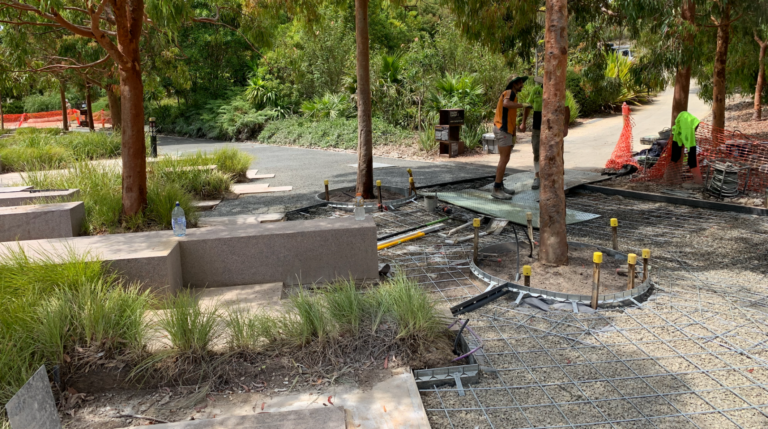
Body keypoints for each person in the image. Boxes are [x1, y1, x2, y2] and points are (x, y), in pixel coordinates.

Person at [491, 76, 528, 200]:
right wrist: (522, 105)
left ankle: (500, 186)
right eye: (520, 82)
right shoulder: (509, 92)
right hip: (503, 129)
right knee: (504, 159)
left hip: (505, 129)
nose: (522, 84)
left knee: (505, 159)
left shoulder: (511, 94)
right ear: (514, 83)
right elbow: (506, 104)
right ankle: (496, 189)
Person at [521, 76, 544, 190]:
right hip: (537, 126)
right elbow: (528, 106)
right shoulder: (536, 90)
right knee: (536, 150)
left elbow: (565, 108)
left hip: (551, 127)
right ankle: (537, 175)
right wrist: (523, 122)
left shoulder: (557, 90)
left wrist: (564, 126)